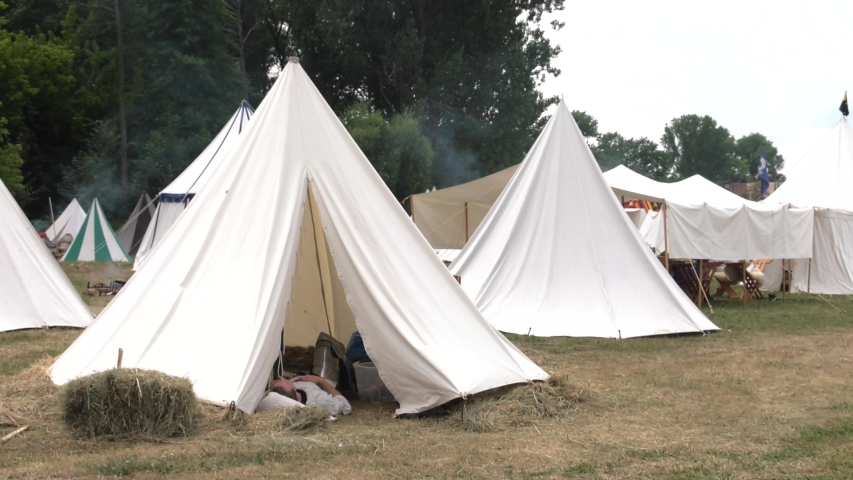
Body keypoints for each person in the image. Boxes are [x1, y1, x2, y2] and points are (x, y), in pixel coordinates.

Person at [257, 375, 352, 416]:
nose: (282, 377)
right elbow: (346, 406)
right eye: (287, 382)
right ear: (298, 397)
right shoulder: (318, 400)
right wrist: (321, 381)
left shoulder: (270, 396)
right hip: (328, 381)